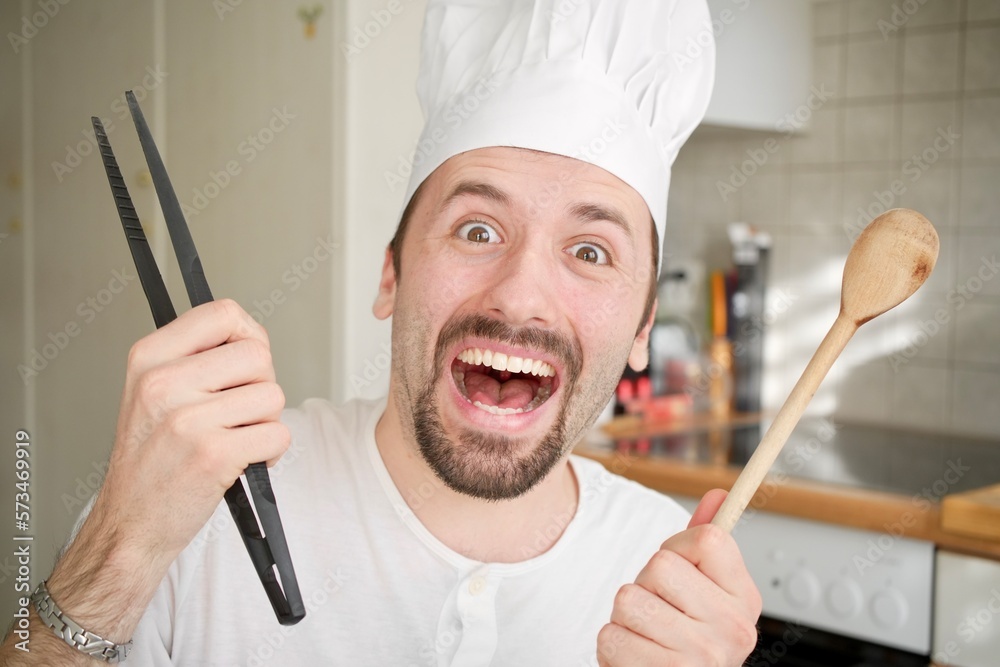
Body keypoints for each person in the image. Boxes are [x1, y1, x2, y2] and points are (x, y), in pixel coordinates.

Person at [1, 0, 762, 664]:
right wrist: (111, 559)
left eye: (591, 251)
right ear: (390, 274)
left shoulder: (674, 580)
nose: (522, 293)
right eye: (476, 228)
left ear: (643, 327)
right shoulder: (192, 505)